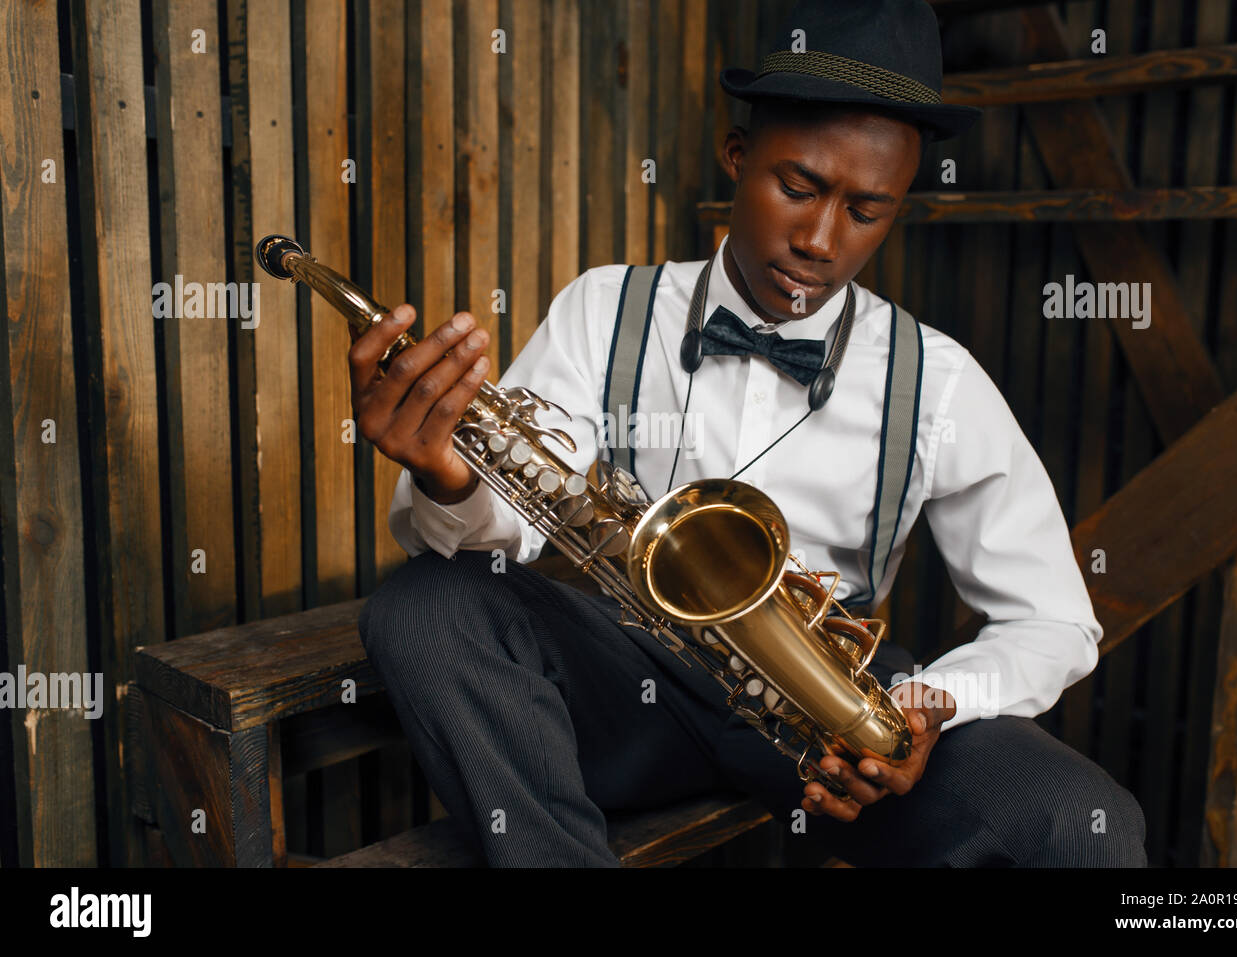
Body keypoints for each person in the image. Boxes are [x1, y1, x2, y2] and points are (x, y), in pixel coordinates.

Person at [352, 0, 1147, 867]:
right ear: (737, 155)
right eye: (797, 187)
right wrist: (448, 476)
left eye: (866, 211)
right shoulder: (605, 306)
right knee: (424, 606)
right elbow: (513, 520)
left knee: (1078, 823)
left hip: (834, 723)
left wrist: (924, 706)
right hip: (625, 687)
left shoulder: (940, 378)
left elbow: (1056, 622)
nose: (818, 239)